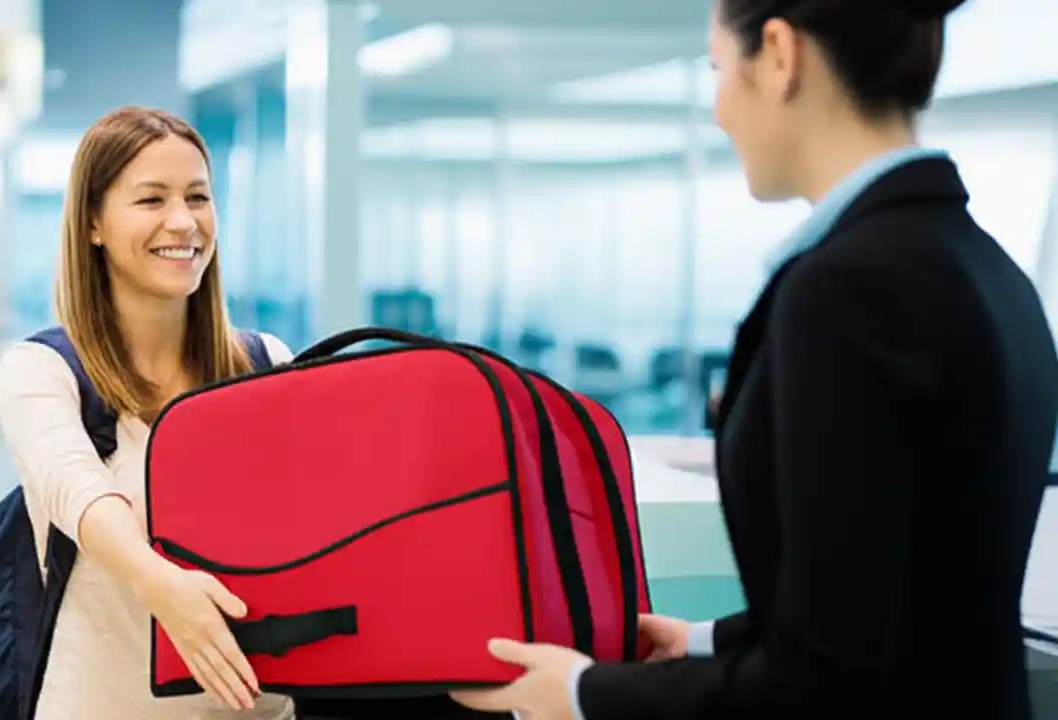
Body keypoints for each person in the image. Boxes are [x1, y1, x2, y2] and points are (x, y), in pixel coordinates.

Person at [451, 0, 1058, 718]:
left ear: (778, 54)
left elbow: (822, 682)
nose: (717, 111)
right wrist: (705, 641)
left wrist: (583, 694)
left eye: (717, 68)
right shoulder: (988, 270)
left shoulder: (844, 293)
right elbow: (901, 594)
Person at [0, 107, 295, 719]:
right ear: (93, 224)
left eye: (198, 197)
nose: (183, 222)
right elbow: (77, 493)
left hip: (262, 708)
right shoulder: (44, 372)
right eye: (151, 200)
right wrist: (161, 585)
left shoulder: (266, 364)